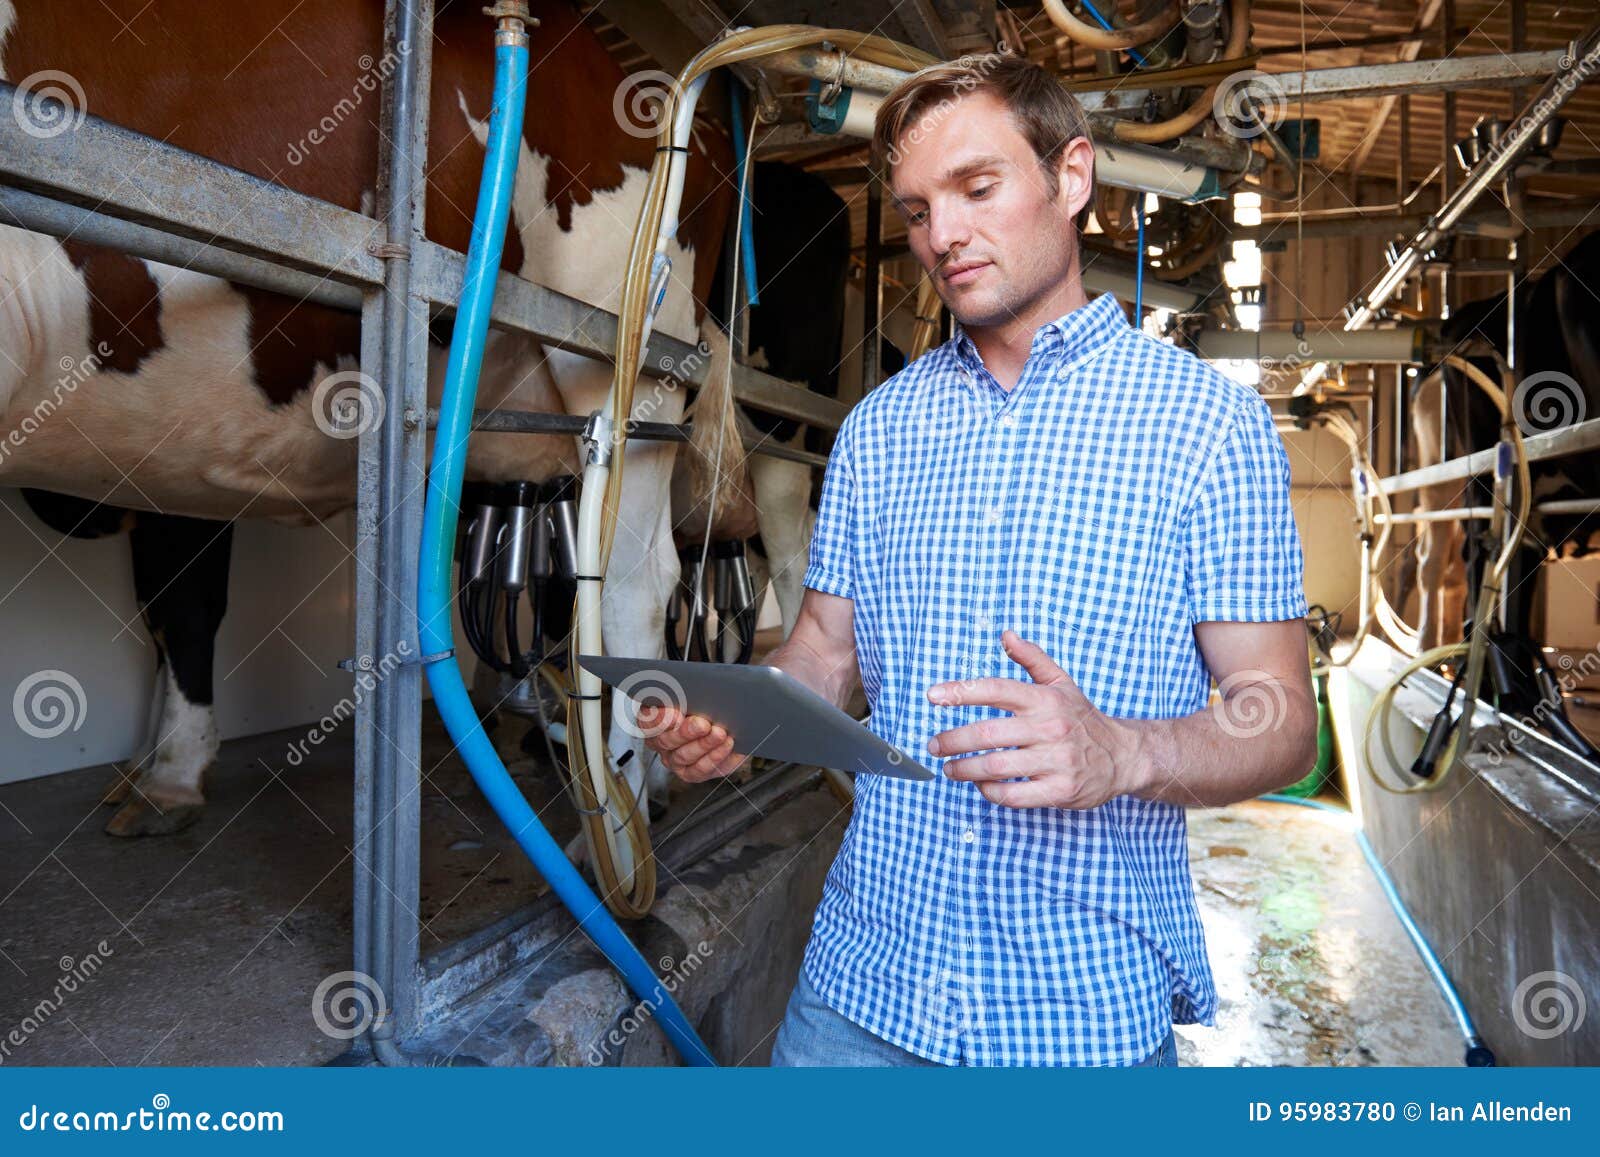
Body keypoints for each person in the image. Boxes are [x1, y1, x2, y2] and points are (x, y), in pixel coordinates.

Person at [636, 53, 1314, 1067]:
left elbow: (1279, 716)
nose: (940, 235)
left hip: (1076, 1017)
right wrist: (740, 713)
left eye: (977, 188)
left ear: (1070, 176)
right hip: (857, 997)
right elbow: (825, 654)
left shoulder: (1207, 426)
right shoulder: (877, 429)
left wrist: (1125, 753)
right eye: (915, 209)